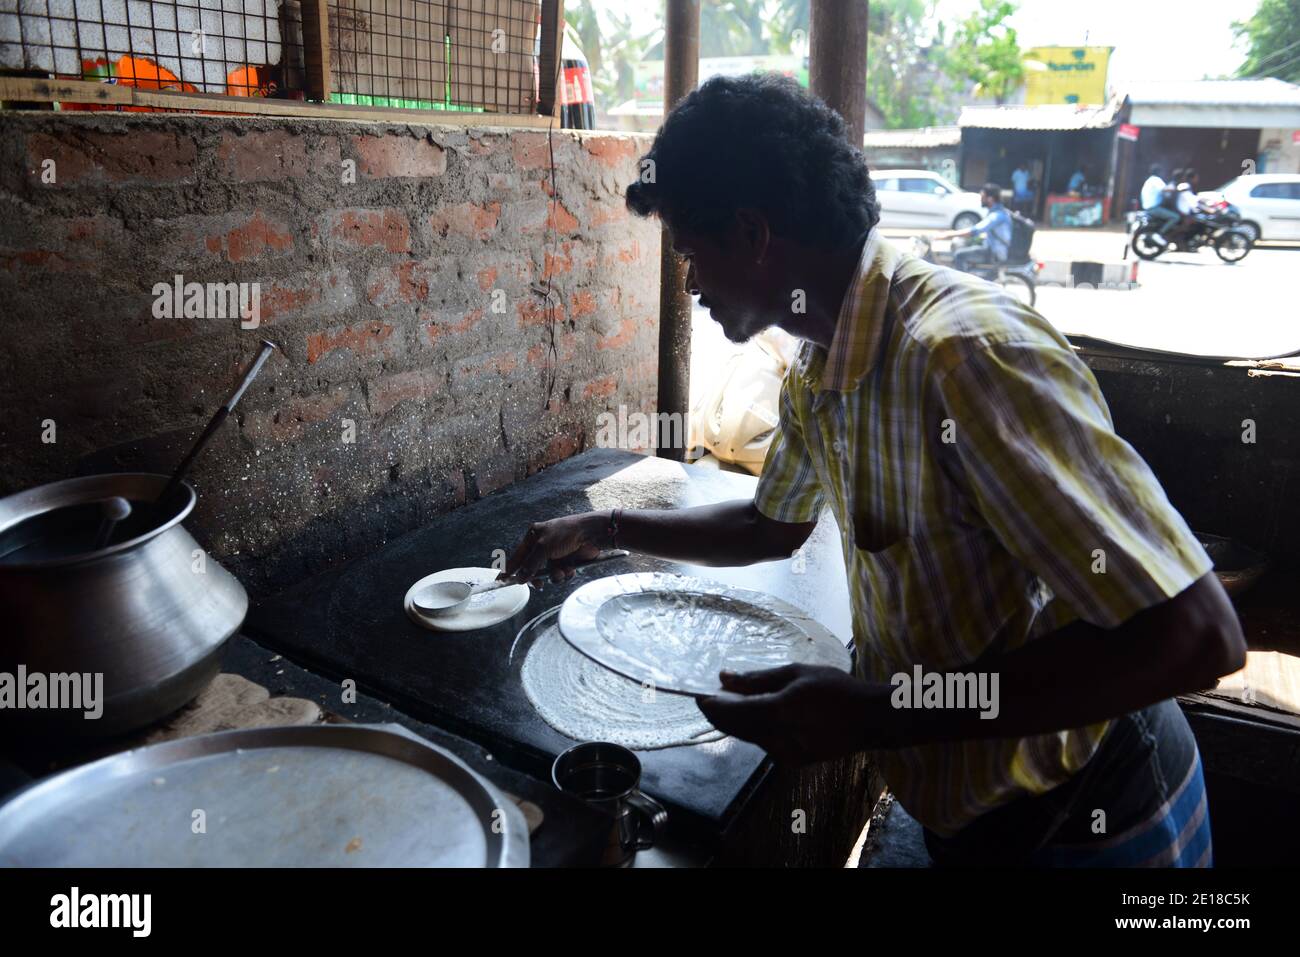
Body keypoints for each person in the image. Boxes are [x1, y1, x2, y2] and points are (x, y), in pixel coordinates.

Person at [504, 74, 1243, 867]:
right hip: (970, 814)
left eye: (692, 252)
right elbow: (770, 523)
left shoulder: (964, 357)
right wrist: (604, 527)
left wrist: (877, 711)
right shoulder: (818, 366)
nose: (689, 283)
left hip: (1094, 814)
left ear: (754, 235)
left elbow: (1196, 636)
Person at [933, 183, 1012, 273]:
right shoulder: (1000, 212)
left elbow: (975, 230)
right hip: (992, 248)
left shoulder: (997, 216)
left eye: (983, 197)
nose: (981, 200)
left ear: (990, 199)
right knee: (964, 244)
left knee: (960, 255)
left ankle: (962, 284)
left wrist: (947, 235)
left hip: (994, 253)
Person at [1143, 164, 1179, 241]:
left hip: (1149, 207)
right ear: (1159, 172)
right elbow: (1166, 189)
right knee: (1175, 217)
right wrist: (1175, 188)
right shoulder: (1156, 180)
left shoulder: (1150, 180)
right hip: (1154, 208)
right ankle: (1159, 234)